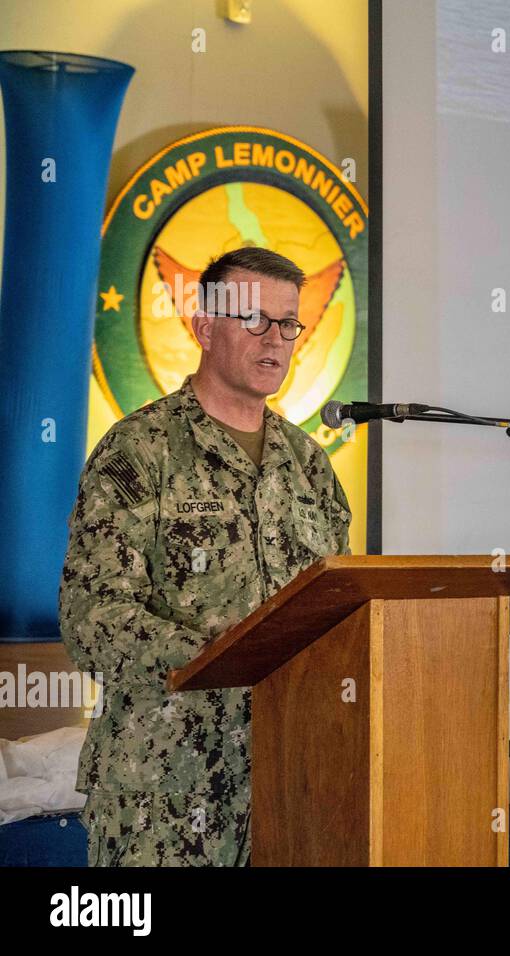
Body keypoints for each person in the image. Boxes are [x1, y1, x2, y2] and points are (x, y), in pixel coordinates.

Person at [61, 246, 352, 866]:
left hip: (286, 784)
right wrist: (227, 654)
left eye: (288, 323)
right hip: (162, 795)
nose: (275, 338)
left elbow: (338, 615)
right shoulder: (140, 450)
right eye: (254, 320)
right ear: (205, 327)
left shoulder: (309, 468)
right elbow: (92, 618)